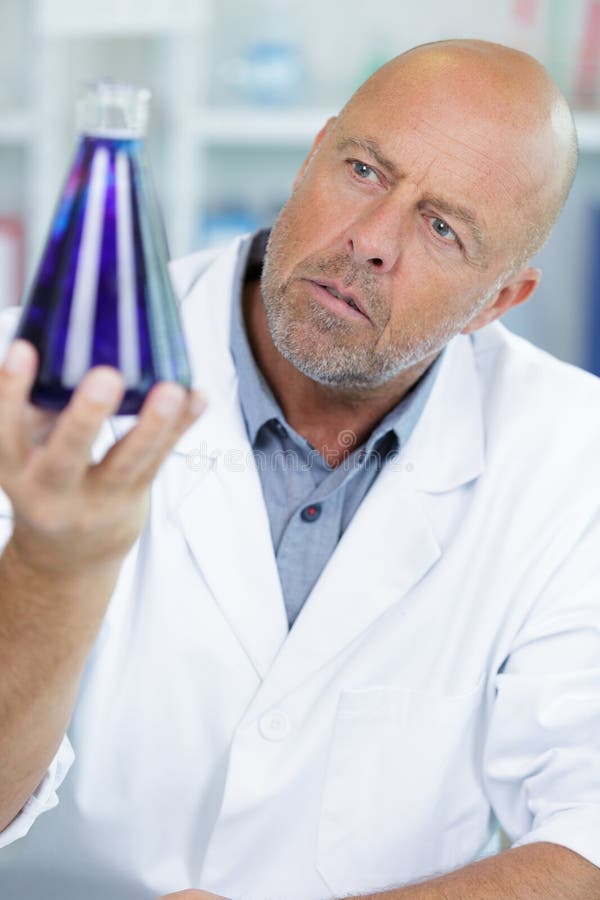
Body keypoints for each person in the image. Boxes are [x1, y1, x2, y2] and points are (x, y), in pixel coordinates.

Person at [0, 37, 599, 900]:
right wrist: (55, 568)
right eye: (363, 170)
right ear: (313, 155)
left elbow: (587, 834)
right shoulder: (35, 375)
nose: (370, 241)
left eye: (442, 228)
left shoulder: (574, 457)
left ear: (499, 301)